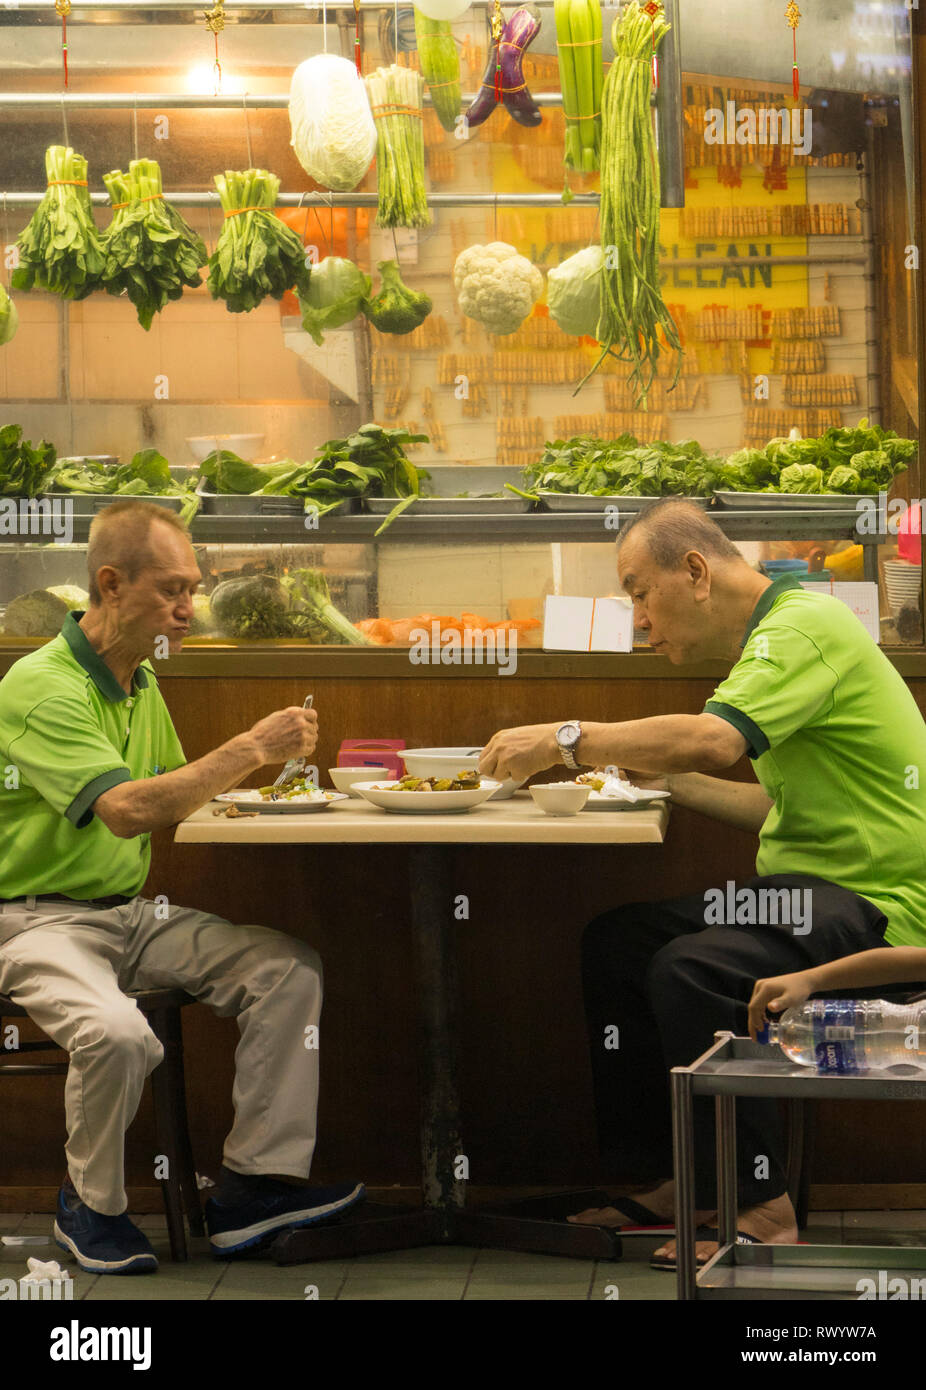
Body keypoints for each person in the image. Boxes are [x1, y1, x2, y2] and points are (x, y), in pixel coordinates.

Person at [479, 498, 926, 1270]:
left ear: (694, 571)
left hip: (885, 907)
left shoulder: (800, 629)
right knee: (617, 942)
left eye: (638, 592)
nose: (640, 618)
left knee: (691, 968)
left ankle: (764, 1202)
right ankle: (679, 1178)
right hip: (821, 891)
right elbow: (779, 805)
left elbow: (715, 741)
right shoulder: (780, 634)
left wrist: (566, 741)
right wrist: (663, 783)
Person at [0, 500, 363, 1275]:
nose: (189, 609)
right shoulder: (40, 686)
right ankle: (88, 1207)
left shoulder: (138, 677)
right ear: (109, 585)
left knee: (285, 970)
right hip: (33, 924)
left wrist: (270, 789)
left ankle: (250, 1192)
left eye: (192, 588)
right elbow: (130, 810)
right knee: (122, 1033)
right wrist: (250, 749)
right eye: (172, 590)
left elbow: (172, 790)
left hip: (127, 917)